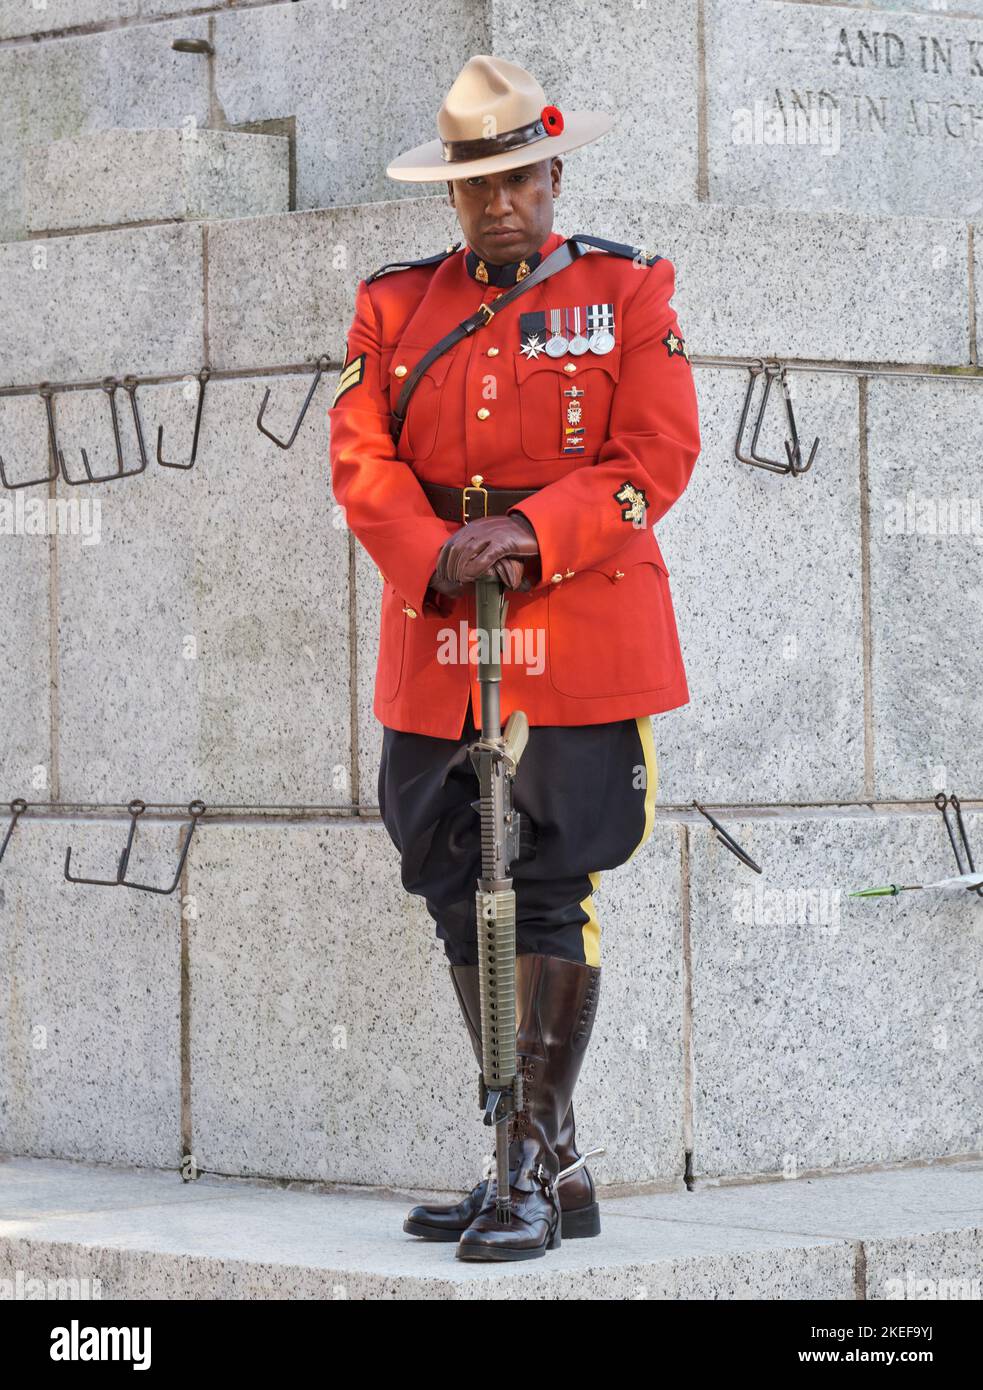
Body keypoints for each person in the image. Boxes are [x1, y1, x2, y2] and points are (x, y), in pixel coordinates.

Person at [328, 54, 701, 1262]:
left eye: (517, 179)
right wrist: (435, 548)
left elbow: (654, 458)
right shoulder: (392, 307)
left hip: (577, 639)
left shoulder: (628, 289)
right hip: (439, 640)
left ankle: (522, 1170)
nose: (498, 203)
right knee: (454, 888)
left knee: (546, 889)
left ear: (553, 172)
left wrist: (533, 532)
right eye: (474, 184)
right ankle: (544, 1159)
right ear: (450, 193)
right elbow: (359, 458)